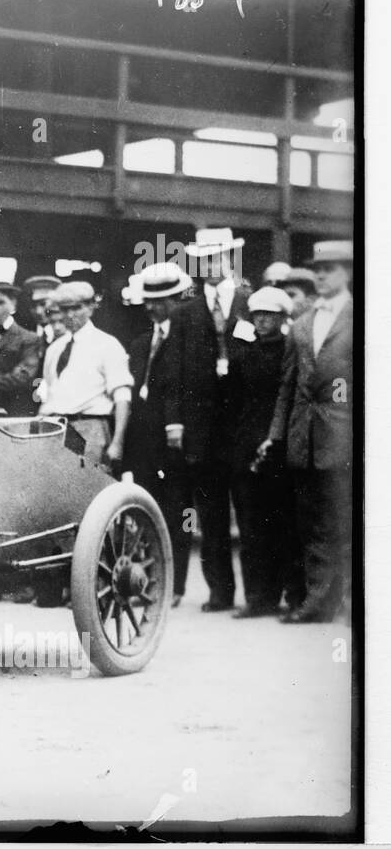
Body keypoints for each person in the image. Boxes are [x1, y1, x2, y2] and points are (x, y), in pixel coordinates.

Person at [262, 240, 354, 624]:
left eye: (330, 269)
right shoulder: (301, 324)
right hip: (305, 437)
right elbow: (288, 385)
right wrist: (276, 434)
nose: (321, 275)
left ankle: (352, 604)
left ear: (348, 272)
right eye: (317, 268)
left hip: (344, 434)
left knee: (346, 520)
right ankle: (318, 602)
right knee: (312, 523)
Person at [164, 227, 253, 612]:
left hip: (242, 426)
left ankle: (259, 594)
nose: (212, 266)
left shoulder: (250, 305)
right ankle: (220, 592)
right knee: (210, 515)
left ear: (231, 261)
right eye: (205, 260)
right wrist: (175, 422)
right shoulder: (185, 312)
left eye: (219, 258)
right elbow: (173, 373)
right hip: (201, 430)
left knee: (250, 513)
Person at [225, 287, 303, 618]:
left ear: (283, 317)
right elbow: (232, 399)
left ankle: (294, 595)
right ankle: (258, 597)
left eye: (269, 316)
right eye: (257, 315)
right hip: (246, 444)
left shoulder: (290, 350)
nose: (262, 321)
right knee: (251, 524)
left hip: (279, 443)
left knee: (284, 522)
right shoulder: (243, 352)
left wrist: (275, 437)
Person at [123, 264, 194, 603]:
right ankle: (147, 582)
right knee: (144, 513)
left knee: (177, 512)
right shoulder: (139, 343)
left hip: (173, 442)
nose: (151, 307)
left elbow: (184, 389)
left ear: (176, 299)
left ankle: (175, 586)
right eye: (147, 301)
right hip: (143, 443)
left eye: (160, 301)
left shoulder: (186, 338)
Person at [36, 281, 132, 467]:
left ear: (90, 307)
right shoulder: (55, 349)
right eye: (64, 310)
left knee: (87, 489)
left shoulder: (107, 344)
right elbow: (49, 391)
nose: (70, 315)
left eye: (76, 308)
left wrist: (117, 443)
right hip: (55, 428)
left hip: (90, 427)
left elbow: (123, 397)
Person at [0, 279, 41, 415]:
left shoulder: (29, 338)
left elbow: (23, 376)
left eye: (1, 302)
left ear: (13, 304)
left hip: (15, 411)